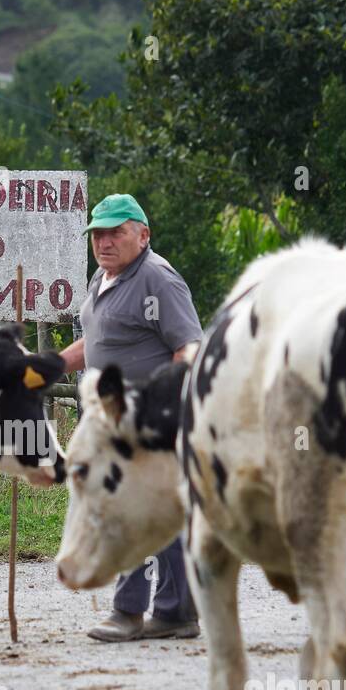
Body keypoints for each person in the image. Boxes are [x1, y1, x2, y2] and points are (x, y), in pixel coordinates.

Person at [60, 193, 202, 641]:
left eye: (115, 232)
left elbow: (189, 348)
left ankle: (126, 611)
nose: (104, 241)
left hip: (146, 424)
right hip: (108, 424)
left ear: (143, 234)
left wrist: (162, 407)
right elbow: (95, 341)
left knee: (130, 508)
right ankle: (178, 614)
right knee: (161, 515)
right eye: (97, 234)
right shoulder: (100, 279)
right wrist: (46, 367)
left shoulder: (159, 279)